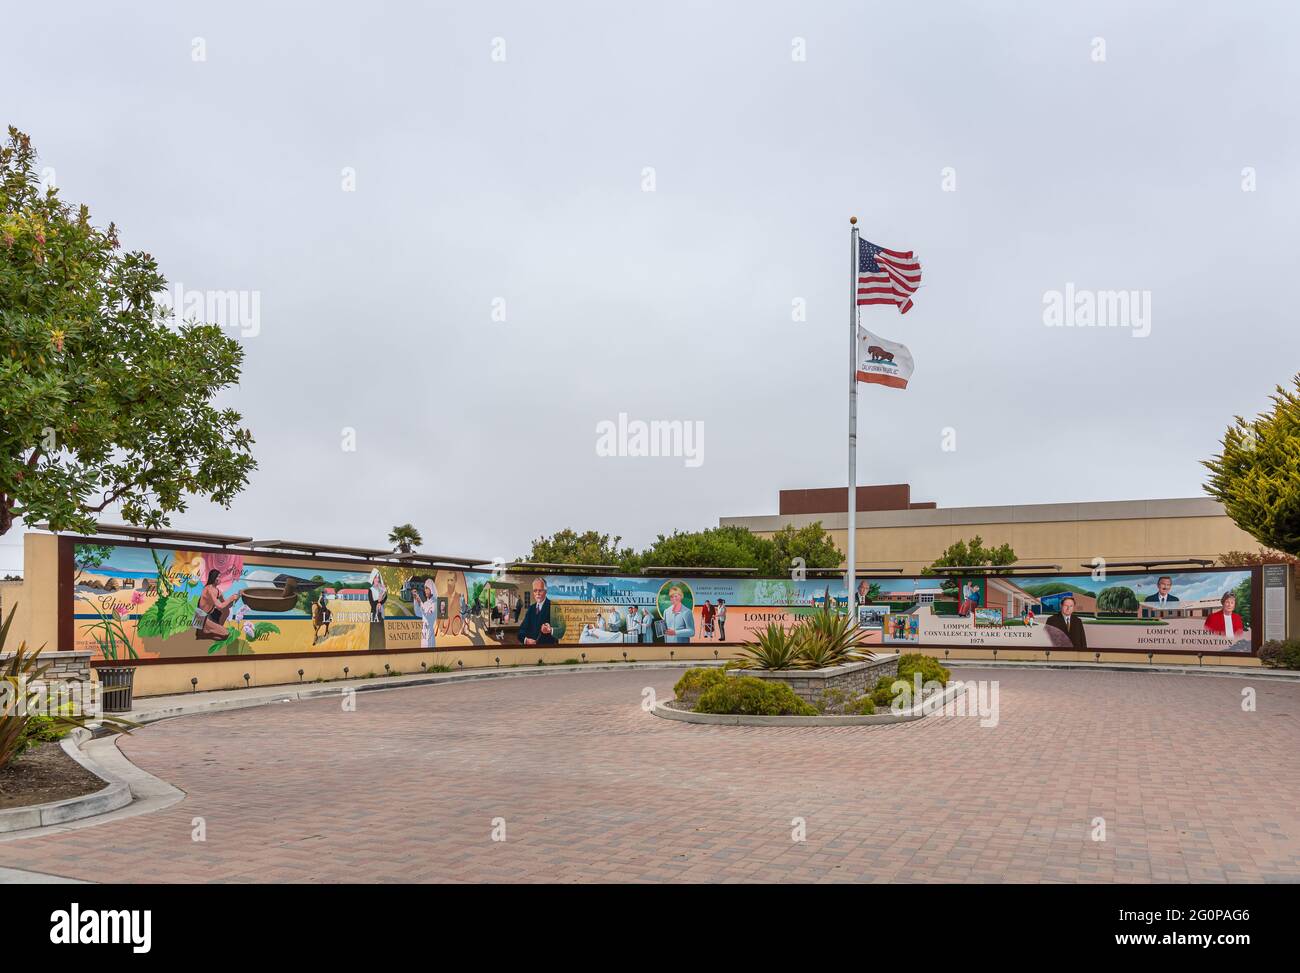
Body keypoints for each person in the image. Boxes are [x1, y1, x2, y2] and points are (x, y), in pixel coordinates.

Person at [194, 568, 240, 640]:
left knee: (226, 611)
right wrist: (231, 598)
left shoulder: (218, 591)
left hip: (209, 615)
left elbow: (226, 605)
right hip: (201, 617)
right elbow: (220, 606)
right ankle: (203, 632)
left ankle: (214, 629)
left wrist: (236, 599)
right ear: (213, 578)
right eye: (218, 576)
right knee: (226, 633)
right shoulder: (209, 589)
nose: (219, 578)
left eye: (220, 576)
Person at [519, 578, 557, 646]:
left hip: (548, 650)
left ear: (545, 591)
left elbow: (561, 630)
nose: (537, 593)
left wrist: (550, 629)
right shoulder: (531, 608)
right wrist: (526, 640)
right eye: (535, 591)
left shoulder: (553, 607)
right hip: (531, 651)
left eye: (540, 590)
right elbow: (521, 630)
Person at [414, 578, 439, 648]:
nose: (425, 591)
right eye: (424, 588)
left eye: (427, 588)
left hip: (430, 633)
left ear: (431, 589)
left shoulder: (435, 603)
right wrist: (416, 600)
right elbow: (418, 613)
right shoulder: (426, 603)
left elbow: (428, 616)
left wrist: (419, 601)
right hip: (424, 632)